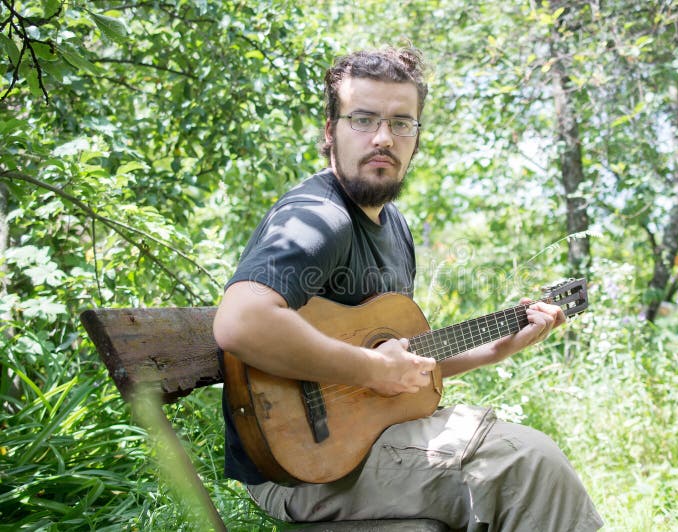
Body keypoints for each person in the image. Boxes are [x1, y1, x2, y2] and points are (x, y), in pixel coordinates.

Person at [213, 47, 603, 532]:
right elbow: (240, 321)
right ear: (330, 131)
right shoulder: (318, 218)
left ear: (416, 139)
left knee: (524, 461)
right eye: (363, 119)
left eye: (402, 123)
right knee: (528, 463)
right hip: (295, 469)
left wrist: (497, 348)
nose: (383, 138)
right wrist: (371, 366)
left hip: (359, 443)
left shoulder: (395, 229)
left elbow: (394, 376)